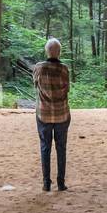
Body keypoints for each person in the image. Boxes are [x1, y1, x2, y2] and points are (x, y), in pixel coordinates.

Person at [32, 37, 71, 191]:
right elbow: (67, 88)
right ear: (59, 52)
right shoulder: (64, 69)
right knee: (61, 148)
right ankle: (61, 183)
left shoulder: (38, 68)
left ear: (46, 51)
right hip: (62, 113)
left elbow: (35, 85)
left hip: (43, 114)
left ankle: (46, 183)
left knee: (45, 147)